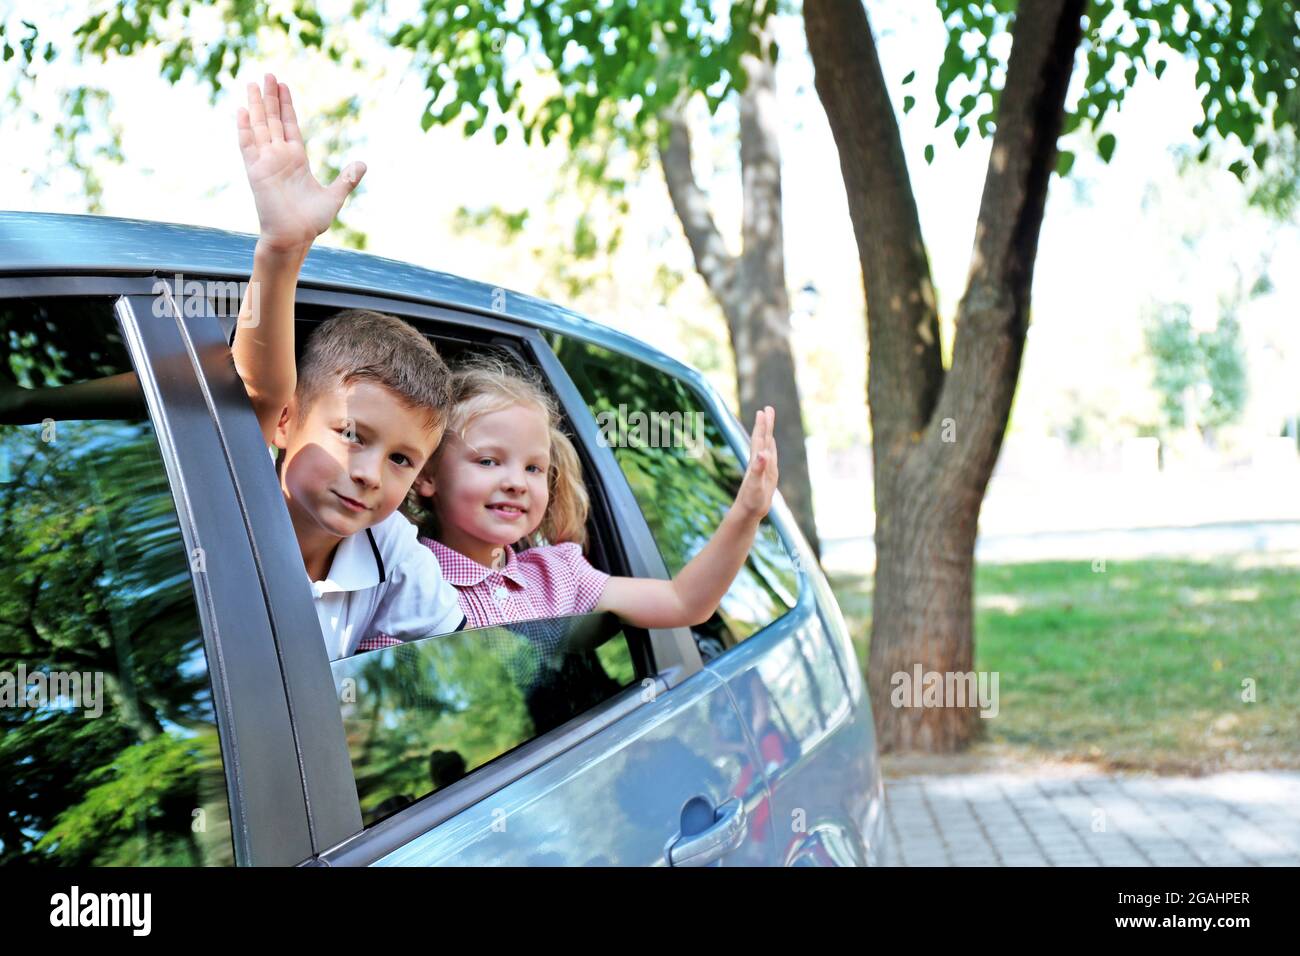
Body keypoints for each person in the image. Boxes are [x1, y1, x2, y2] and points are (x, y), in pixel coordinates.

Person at [1, 74, 466, 659]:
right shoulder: (237, 494)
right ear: (284, 425)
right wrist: (281, 251)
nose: (371, 474)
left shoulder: (389, 542)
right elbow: (254, 390)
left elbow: (456, 659)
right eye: (350, 435)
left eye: (402, 459)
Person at [358, 353, 779, 647]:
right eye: (488, 461)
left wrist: (747, 512)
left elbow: (684, 601)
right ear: (428, 474)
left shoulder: (559, 574)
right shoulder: (402, 579)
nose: (516, 483)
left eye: (533, 468)